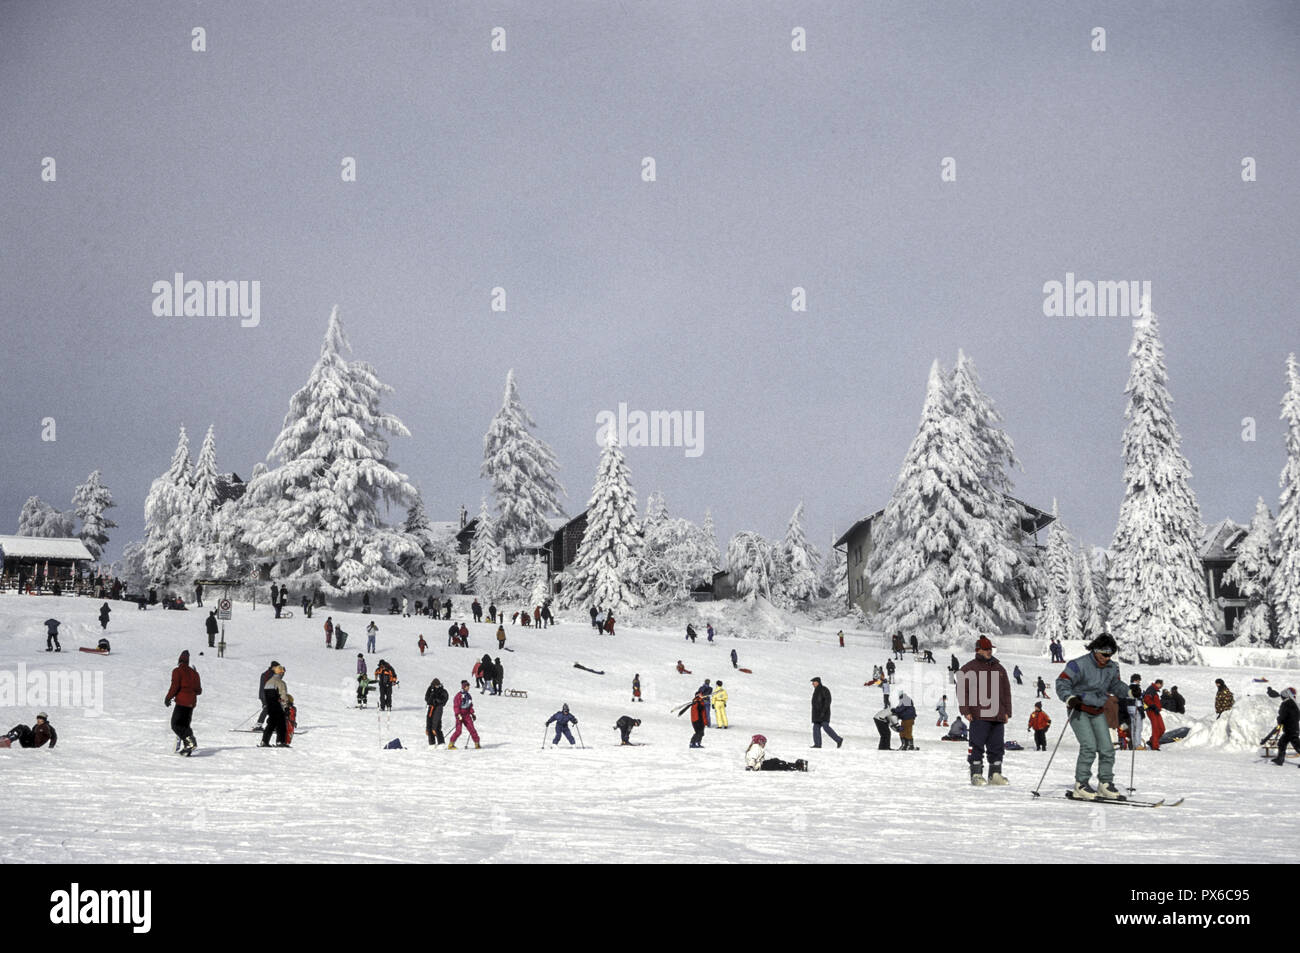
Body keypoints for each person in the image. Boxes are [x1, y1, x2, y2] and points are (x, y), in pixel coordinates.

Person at [1055, 633, 1127, 800]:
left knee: (1107, 748)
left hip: (1097, 710)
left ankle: (1105, 784)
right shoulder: (1078, 665)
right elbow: (1062, 682)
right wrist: (1069, 698)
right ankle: (1081, 784)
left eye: (1110, 654)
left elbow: (1115, 685)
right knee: (1089, 746)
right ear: (1095, 650)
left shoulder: (1112, 667)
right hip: (1079, 709)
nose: (1107, 658)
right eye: (1104, 654)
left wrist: (1130, 691)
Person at [956, 636, 1011, 787]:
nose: (989, 651)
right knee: (977, 745)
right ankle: (976, 773)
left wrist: (1007, 711)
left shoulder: (999, 668)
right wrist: (965, 710)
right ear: (978, 650)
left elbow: (1006, 691)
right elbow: (961, 690)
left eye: (990, 649)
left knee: (997, 745)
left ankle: (995, 774)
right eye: (986, 649)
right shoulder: (969, 668)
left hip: (998, 714)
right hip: (978, 714)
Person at [164, 649, 202, 755]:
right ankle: (187, 748)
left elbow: (175, 686)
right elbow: (199, 691)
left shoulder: (177, 671)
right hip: (191, 703)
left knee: (175, 724)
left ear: (179, 660)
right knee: (185, 725)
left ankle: (190, 741)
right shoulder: (194, 673)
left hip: (182, 702)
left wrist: (168, 698)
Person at [260, 664, 290, 747]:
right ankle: (280, 742)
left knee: (271, 724)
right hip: (277, 706)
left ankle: (264, 741)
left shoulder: (268, 682)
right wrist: (286, 707)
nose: (283, 675)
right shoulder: (280, 683)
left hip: (270, 706)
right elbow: (283, 695)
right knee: (281, 723)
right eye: (283, 673)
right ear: (280, 673)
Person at [809, 676, 843, 749]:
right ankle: (817, 744)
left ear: (818, 682)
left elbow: (828, 701)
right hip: (817, 714)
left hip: (824, 714)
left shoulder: (824, 689)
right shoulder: (816, 691)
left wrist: (823, 712)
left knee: (826, 727)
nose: (812, 684)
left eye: (814, 682)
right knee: (816, 728)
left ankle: (839, 740)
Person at [1268, 687, 1299, 765]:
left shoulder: (1286, 704)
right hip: (1293, 728)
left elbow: (1282, 715)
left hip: (1290, 729)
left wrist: (1280, 720)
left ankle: (1280, 759)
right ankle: (1280, 759)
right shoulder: (1293, 703)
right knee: (1282, 743)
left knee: (1297, 745)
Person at [447, 680, 480, 749]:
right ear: (464, 687)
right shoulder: (458, 696)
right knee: (458, 731)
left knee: (472, 729)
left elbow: (470, 705)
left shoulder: (468, 695)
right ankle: (451, 744)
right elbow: (456, 706)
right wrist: (458, 714)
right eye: (467, 686)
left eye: (468, 686)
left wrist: (472, 713)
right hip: (460, 715)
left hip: (467, 715)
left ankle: (477, 743)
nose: (468, 688)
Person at [1142, 679, 1166, 751]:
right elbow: (1147, 699)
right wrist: (1153, 706)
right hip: (1152, 711)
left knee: (1162, 728)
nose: (1161, 686)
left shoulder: (1154, 690)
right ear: (1158, 684)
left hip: (1156, 711)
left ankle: (1152, 740)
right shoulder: (1151, 689)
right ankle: (1155, 746)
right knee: (1155, 728)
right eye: (1161, 685)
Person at [425, 678, 448, 746]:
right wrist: (431, 700)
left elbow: (444, 699)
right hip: (431, 707)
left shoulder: (442, 690)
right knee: (429, 725)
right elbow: (426, 697)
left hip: (438, 707)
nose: (436, 686)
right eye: (435, 685)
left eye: (437, 685)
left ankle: (441, 743)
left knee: (436, 725)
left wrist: (437, 701)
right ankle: (432, 743)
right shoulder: (430, 689)